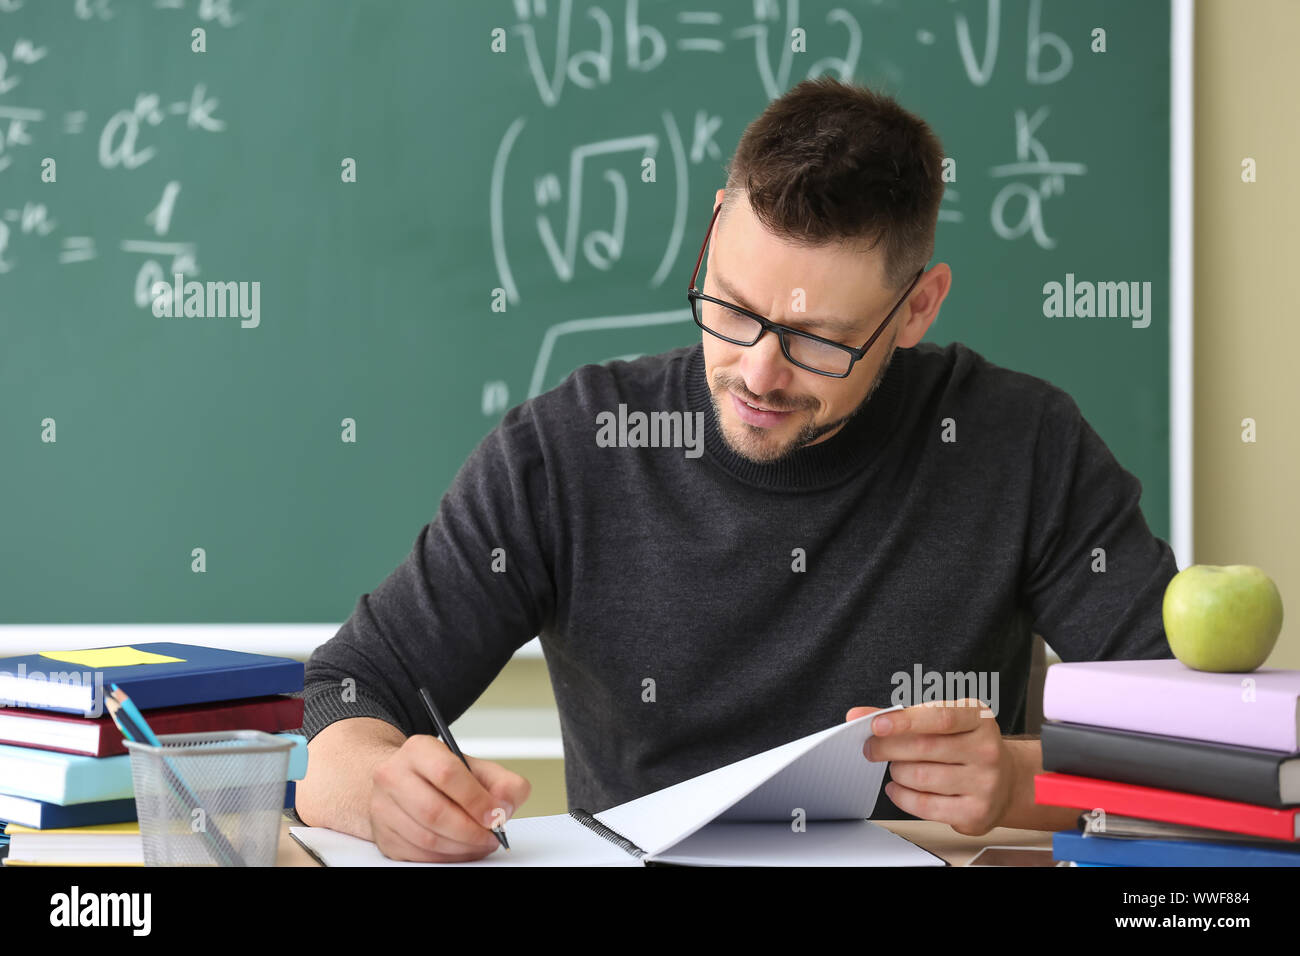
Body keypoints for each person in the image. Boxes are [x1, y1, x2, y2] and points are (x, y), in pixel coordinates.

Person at [294, 77, 1177, 862]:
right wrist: (379, 789)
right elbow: (345, 689)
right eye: (732, 307)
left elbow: (1200, 747)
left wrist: (1022, 780)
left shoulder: (1022, 445)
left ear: (917, 309)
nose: (758, 372)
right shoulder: (569, 450)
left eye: (819, 342)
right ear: (715, 228)